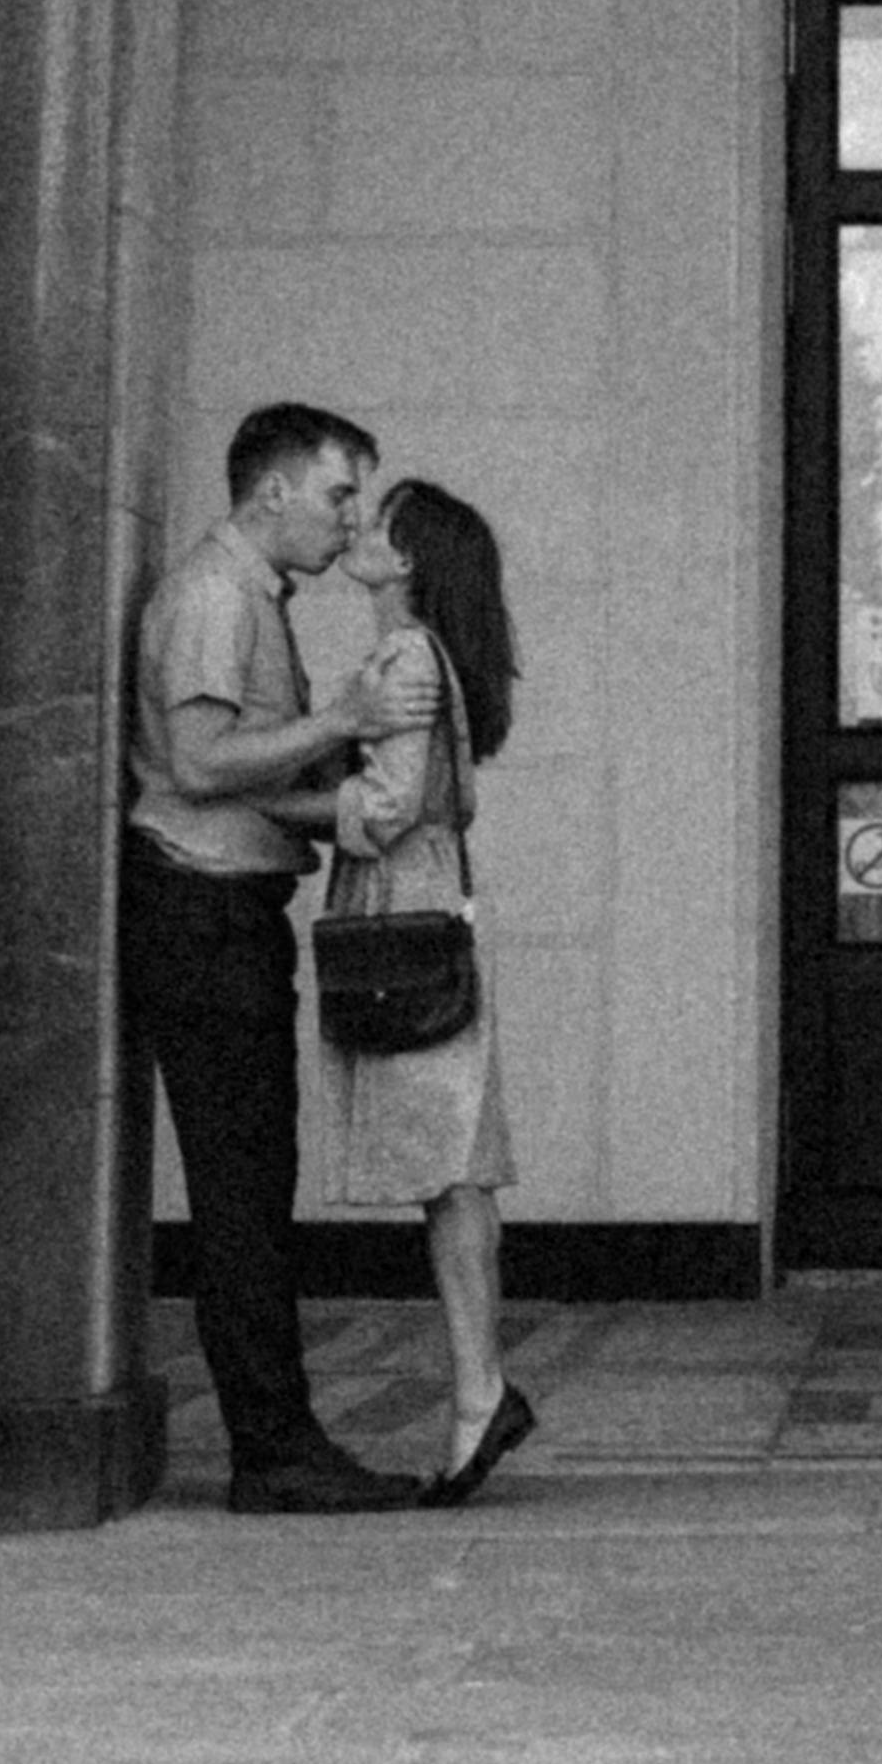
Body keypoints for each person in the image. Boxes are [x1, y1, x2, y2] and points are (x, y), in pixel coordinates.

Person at [122, 399, 404, 1515]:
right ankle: (274, 1450)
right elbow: (197, 763)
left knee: (254, 1189)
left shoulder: (244, 593)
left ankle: (278, 1440)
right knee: (242, 1198)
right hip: (201, 914)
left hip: (222, 908)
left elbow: (236, 772)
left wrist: (329, 812)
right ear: (273, 490)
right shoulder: (211, 594)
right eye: (339, 495)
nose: (349, 521)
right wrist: (343, 718)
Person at [311, 472, 535, 1506]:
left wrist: (291, 798)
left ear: (410, 560)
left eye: (380, 520)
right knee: (461, 1172)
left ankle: (479, 1397)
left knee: (450, 1171)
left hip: (398, 913)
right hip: (437, 912)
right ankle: (480, 1394)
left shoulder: (404, 652)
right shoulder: (442, 656)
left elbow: (392, 802)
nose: (359, 525)